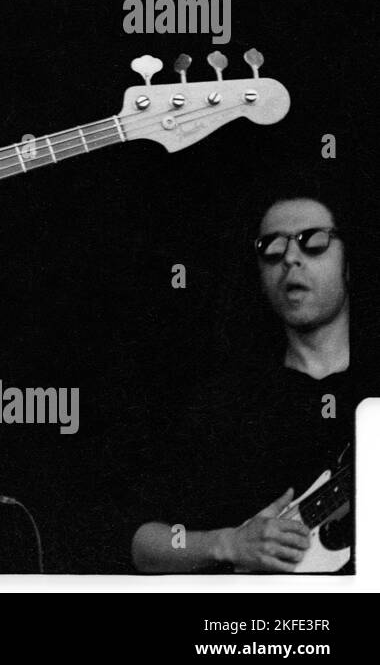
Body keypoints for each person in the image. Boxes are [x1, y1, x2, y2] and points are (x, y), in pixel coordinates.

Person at [130, 194, 354, 573]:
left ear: (349, 264)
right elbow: (142, 542)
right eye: (272, 247)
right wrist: (229, 543)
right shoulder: (223, 404)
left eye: (313, 240)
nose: (290, 258)